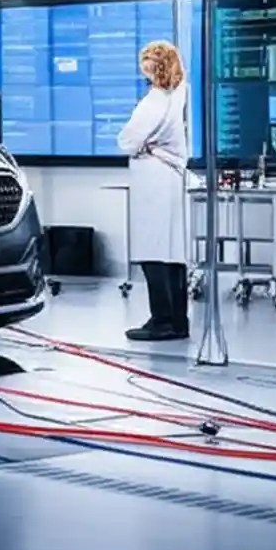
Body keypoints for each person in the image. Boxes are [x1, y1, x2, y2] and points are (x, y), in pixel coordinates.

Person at [117, 41, 190, 341]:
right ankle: (178, 320)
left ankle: (161, 320)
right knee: (174, 252)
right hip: (172, 180)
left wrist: (142, 145)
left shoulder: (153, 102)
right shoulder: (180, 94)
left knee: (152, 251)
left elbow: (127, 141)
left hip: (153, 183)